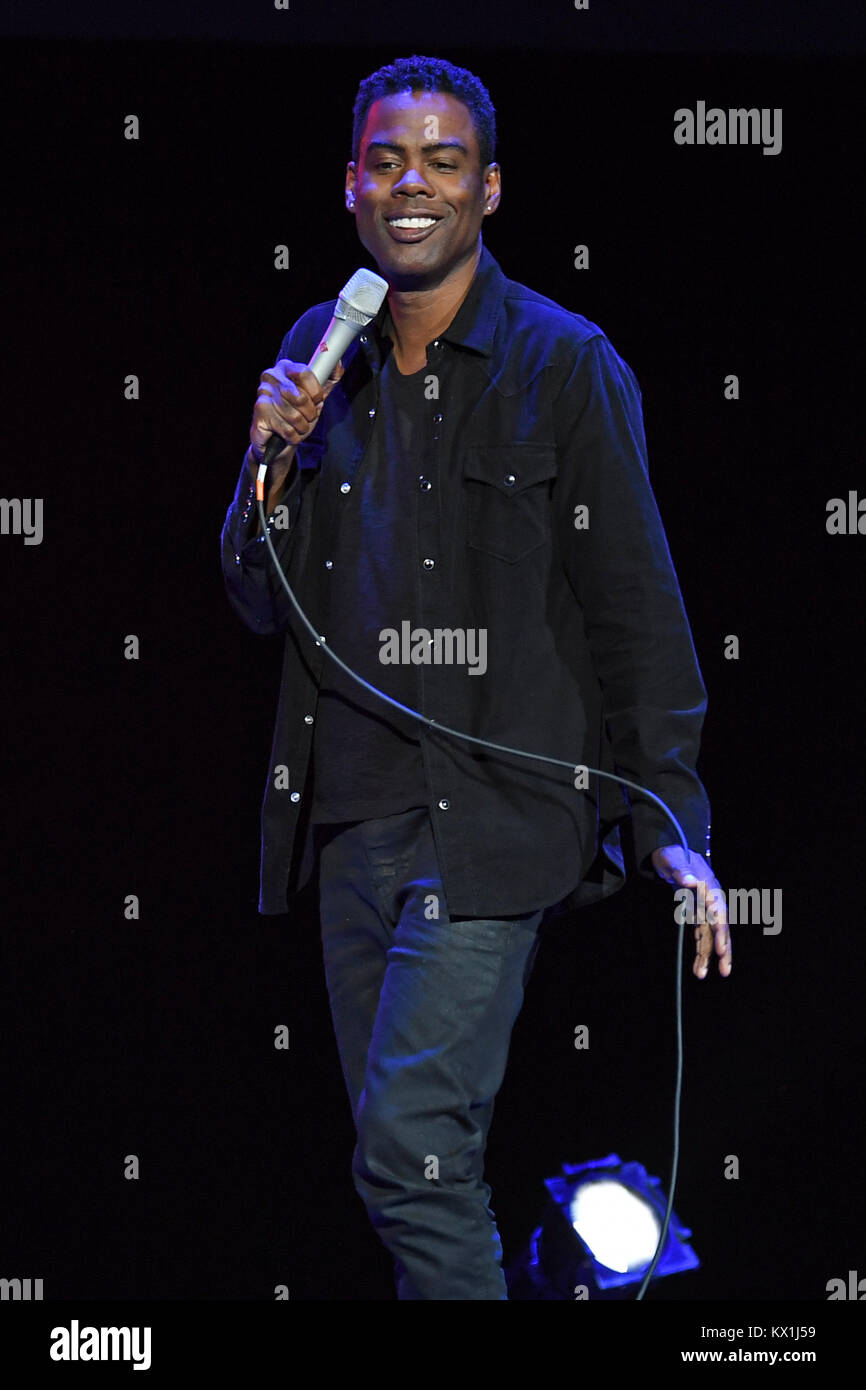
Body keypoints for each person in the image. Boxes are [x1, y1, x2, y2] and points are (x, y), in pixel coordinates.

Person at [220, 54, 732, 1301]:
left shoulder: (563, 362)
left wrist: (669, 813)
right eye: (386, 160)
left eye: (442, 162)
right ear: (350, 185)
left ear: (486, 190)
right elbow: (251, 594)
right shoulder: (316, 351)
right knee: (418, 1169)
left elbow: (636, 605)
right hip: (349, 821)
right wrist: (265, 468)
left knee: (406, 1153)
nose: (412, 185)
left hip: (494, 816)